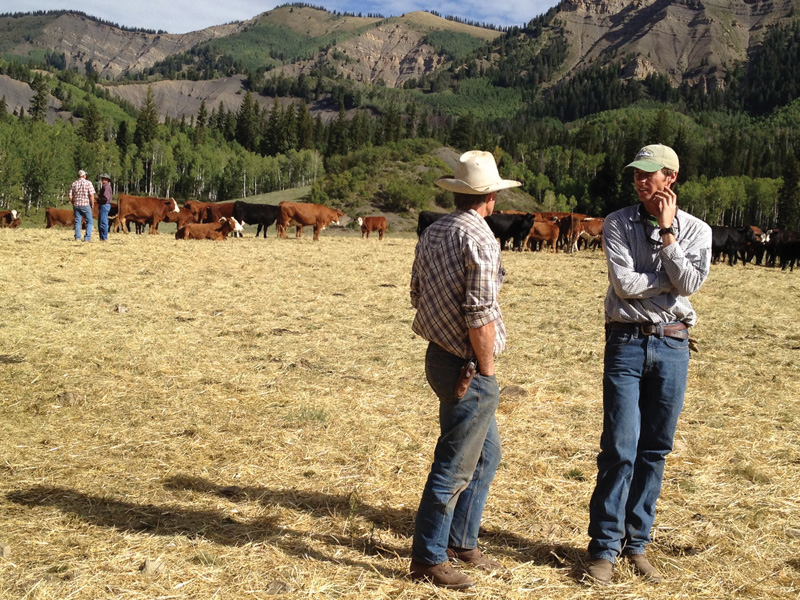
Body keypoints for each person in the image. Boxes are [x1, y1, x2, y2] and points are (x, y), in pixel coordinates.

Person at [585, 144, 712, 585]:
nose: (640, 181)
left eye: (648, 174)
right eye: (636, 175)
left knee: (655, 449)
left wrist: (667, 234)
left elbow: (692, 283)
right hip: (626, 342)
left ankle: (636, 544)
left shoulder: (697, 230)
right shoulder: (617, 223)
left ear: (670, 178)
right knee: (619, 447)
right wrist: (669, 282)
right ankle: (603, 548)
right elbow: (623, 284)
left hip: (674, 346)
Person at [409, 151, 520, 590]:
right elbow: (479, 313)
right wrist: (487, 371)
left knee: (485, 453)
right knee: (455, 464)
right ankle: (429, 557)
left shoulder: (434, 231)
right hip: (468, 367)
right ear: (490, 196)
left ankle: (460, 540)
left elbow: (416, 291)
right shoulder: (481, 239)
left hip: (439, 356)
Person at [68, 169, 96, 242]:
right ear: (84, 176)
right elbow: (91, 195)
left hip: (76, 205)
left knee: (77, 221)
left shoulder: (74, 183)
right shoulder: (88, 183)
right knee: (89, 221)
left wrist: (73, 202)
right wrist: (92, 203)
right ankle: (87, 238)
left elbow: (70, 195)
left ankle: (77, 237)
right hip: (85, 204)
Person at [97, 173, 112, 241]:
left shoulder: (106, 187)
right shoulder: (106, 186)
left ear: (106, 179)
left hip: (104, 205)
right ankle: (102, 237)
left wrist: (98, 199)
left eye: (103, 178)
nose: (102, 179)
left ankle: (104, 237)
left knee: (103, 222)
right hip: (105, 205)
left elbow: (105, 198)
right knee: (102, 221)